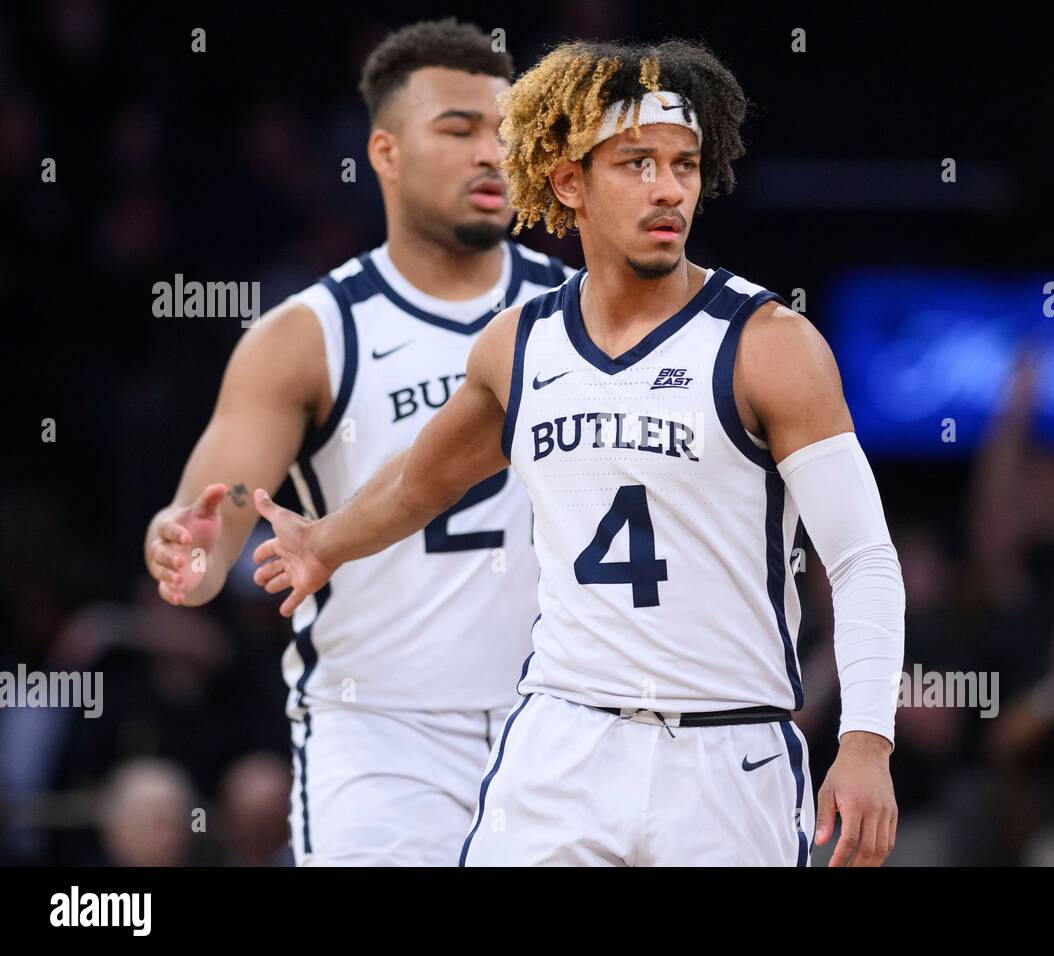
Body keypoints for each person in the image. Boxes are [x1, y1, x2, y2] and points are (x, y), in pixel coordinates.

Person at [252, 39, 905, 867]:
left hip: (725, 751)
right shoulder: (518, 347)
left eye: (686, 164)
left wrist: (867, 743)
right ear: (569, 181)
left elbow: (863, 560)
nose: (669, 189)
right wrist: (323, 541)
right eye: (637, 163)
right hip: (564, 739)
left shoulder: (769, 345)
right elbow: (422, 482)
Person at [142, 19, 571, 865]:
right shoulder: (309, 333)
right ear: (384, 153)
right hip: (382, 734)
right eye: (458, 129)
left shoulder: (586, 309)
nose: (491, 154)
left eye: (505, 132)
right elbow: (212, 519)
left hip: (565, 725)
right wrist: (185, 547)